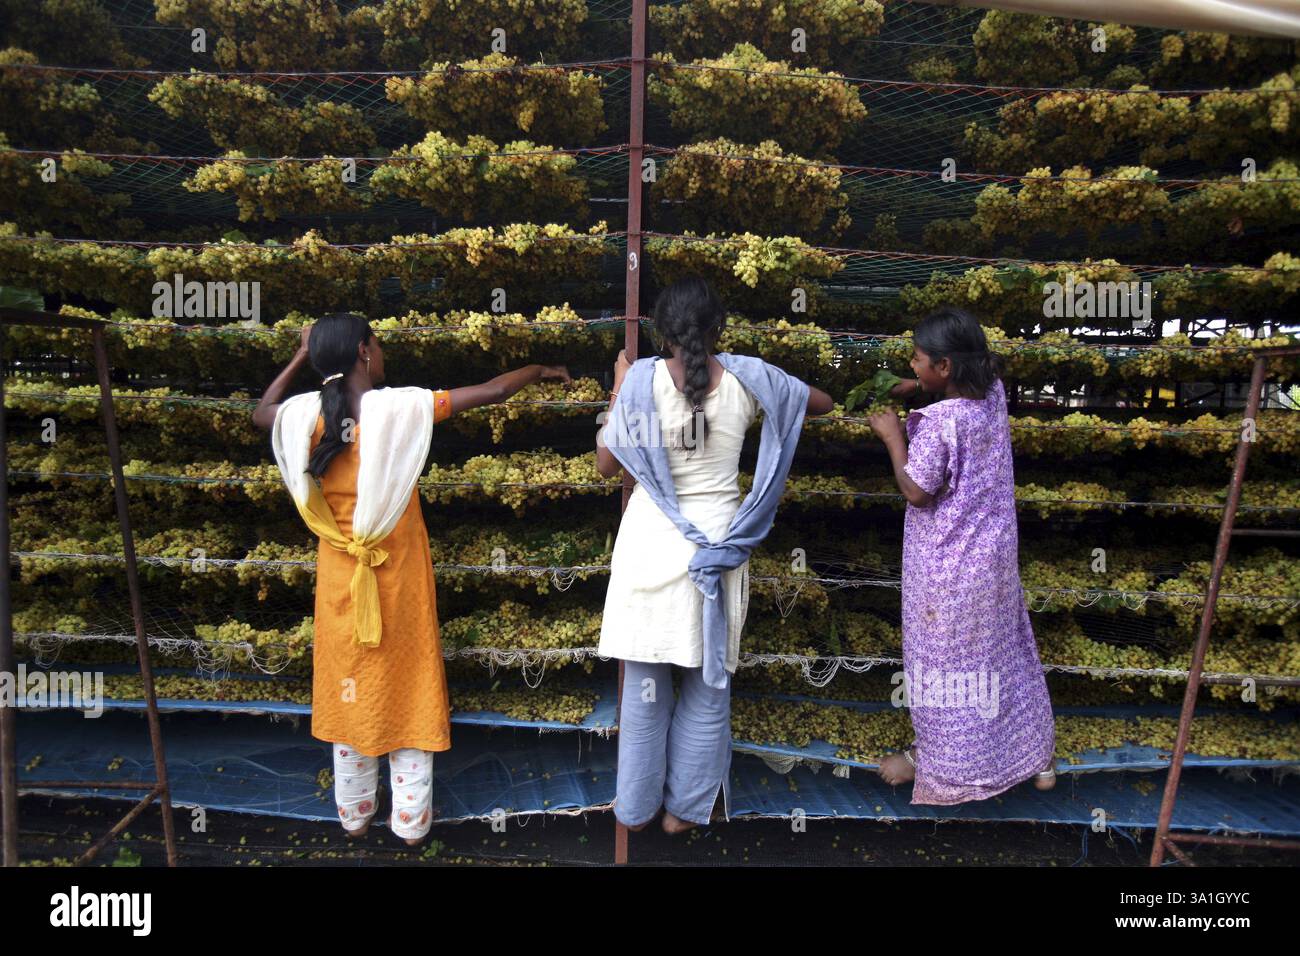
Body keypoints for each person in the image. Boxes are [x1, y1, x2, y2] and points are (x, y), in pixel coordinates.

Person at [252, 312, 569, 843]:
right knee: (408, 685)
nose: (383, 351)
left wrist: (302, 356)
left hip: (338, 580)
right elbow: (492, 391)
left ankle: (354, 816)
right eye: (377, 343)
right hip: (396, 577)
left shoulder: (302, 415)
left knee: (347, 687)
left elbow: (260, 411)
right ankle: (410, 823)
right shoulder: (399, 408)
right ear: (363, 353)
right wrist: (539, 368)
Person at [596, 277, 834, 834]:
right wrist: (769, 392)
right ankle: (683, 815)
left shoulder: (641, 382)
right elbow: (817, 403)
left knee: (645, 687)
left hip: (652, 544)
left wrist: (618, 385)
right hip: (720, 546)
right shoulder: (750, 379)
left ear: (660, 332)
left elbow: (608, 466)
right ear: (718, 330)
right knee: (708, 686)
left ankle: (633, 811)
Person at [868, 305, 1056, 804]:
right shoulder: (991, 399)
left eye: (918, 359)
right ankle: (1036, 759)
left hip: (948, 574)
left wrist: (893, 437)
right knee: (1003, 657)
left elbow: (917, 491)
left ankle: (942, 767)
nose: (911, 365)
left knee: (943, 669)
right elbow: (985, 368)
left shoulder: (937, 422)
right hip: (992, 561)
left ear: (945, 366)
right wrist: (918, 388)